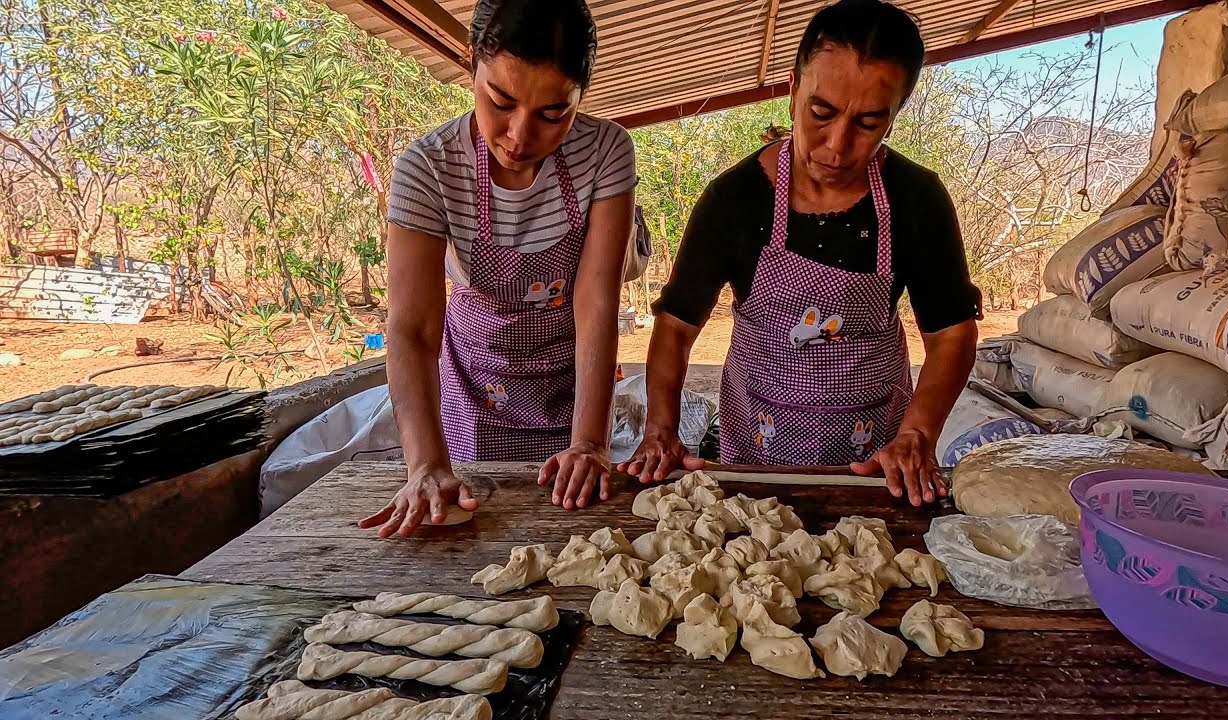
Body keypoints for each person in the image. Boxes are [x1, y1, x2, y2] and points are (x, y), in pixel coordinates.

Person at [622, 0, 981, 506]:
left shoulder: (915, 199)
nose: (837, 146)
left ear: (895, 116)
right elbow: (677, 326)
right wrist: (661, 428)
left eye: (868, 123)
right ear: (793, 90)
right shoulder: (736, 198)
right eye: (822, 113)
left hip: (874, 459)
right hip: (757, 449)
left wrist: (916, 436)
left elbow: (951, 335)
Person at [361, 0, 636, 537]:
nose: (519, 134)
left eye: (553, 114)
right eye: (501, 101)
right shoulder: (430, 167)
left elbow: (595, 300)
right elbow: (413, 329)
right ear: (472, 65)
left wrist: (588, 442)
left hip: (568, 391)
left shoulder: (606, 152)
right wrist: (425, 465)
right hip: (476, 391)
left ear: (581, 96)